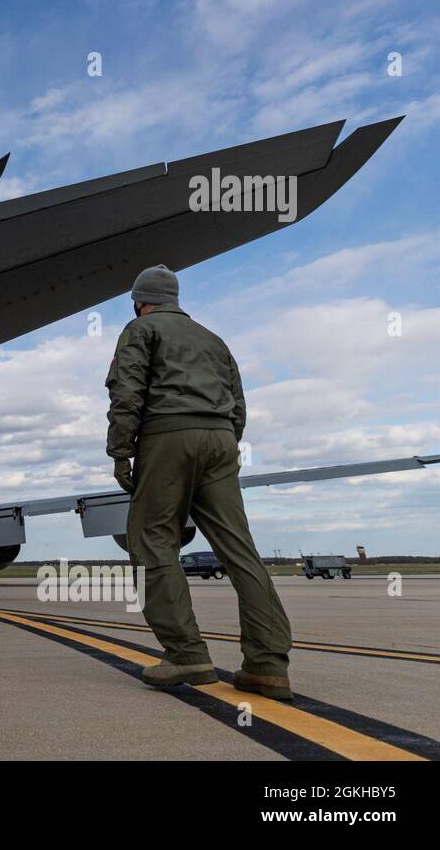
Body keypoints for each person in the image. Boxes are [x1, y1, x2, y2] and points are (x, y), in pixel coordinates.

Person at [106, 266, 293, 700]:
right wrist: (223, 444)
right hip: (223, 439)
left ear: (140, 299)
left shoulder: (140, 330)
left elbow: (127, 392)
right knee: (238, 548)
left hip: (168, 436)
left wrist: (121, 451)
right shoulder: (214, 340)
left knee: (152, 539)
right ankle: (267, 664)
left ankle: (186, 653)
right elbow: (239, 403)